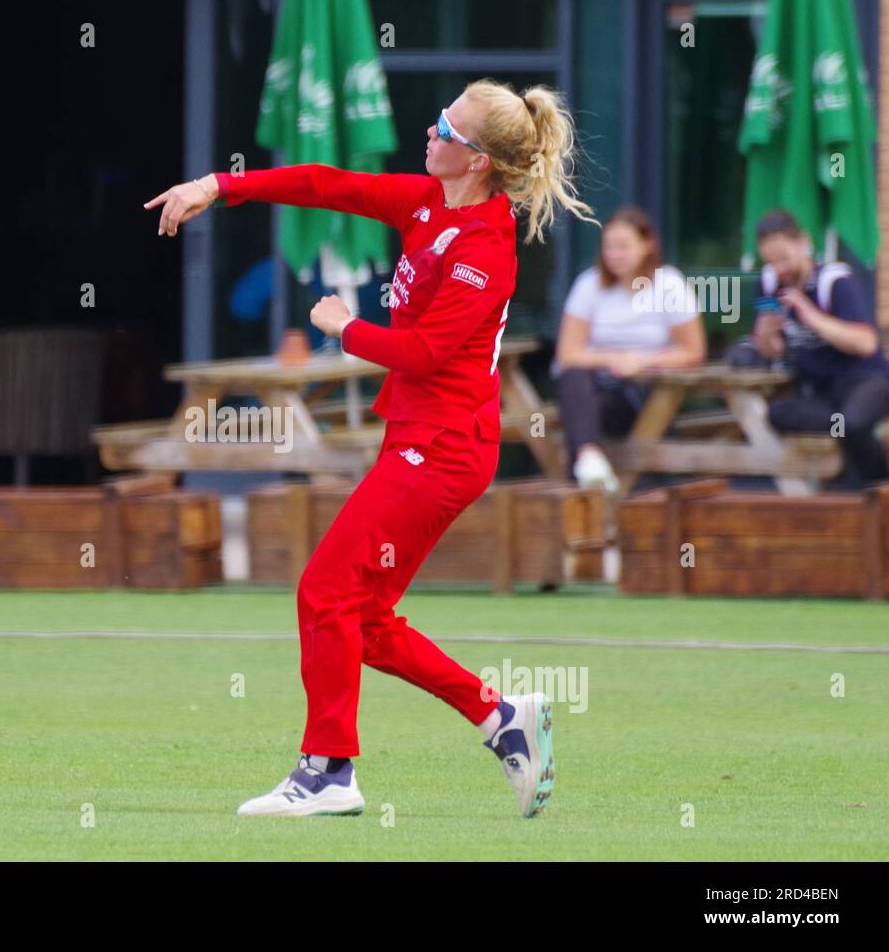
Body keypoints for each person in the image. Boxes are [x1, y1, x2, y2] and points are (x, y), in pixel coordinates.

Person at [145, 79, 596, 819]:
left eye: (448, 128)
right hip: (417, 438)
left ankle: (328, 771)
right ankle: (499, 718)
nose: (432, 130)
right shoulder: (426, 200)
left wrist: (341, 326)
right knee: (364, 617)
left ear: (478, 161)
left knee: (323, 591)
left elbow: (421, 352)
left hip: (447, 448)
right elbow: (327, 183)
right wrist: (216, 186)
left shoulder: (485, 243)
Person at [554, 207, 706, 492]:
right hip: (596, 389)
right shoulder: (589, 284)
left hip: (645, 392)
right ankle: (590, 459)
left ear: (647, 245)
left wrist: (643, 362)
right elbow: (568, 354)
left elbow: (693, 351)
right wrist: (616, 358)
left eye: (623, 246)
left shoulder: (669, 284)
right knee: (574, 379)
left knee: (578, 416)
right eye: (609, 246)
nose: (615, 254)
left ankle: (588, 474)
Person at [744, 210, 889, 484]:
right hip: (823, 394)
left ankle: (878, 494)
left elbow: (866, 343)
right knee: (775, 415)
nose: (780, 269)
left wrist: (810, 314)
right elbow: (770, 351)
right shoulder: (768, 284)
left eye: (784, 258)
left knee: (853, 423)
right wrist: (765, 334)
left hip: (867, 381)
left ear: (804, 243)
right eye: (771, 261)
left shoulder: (834, 280)